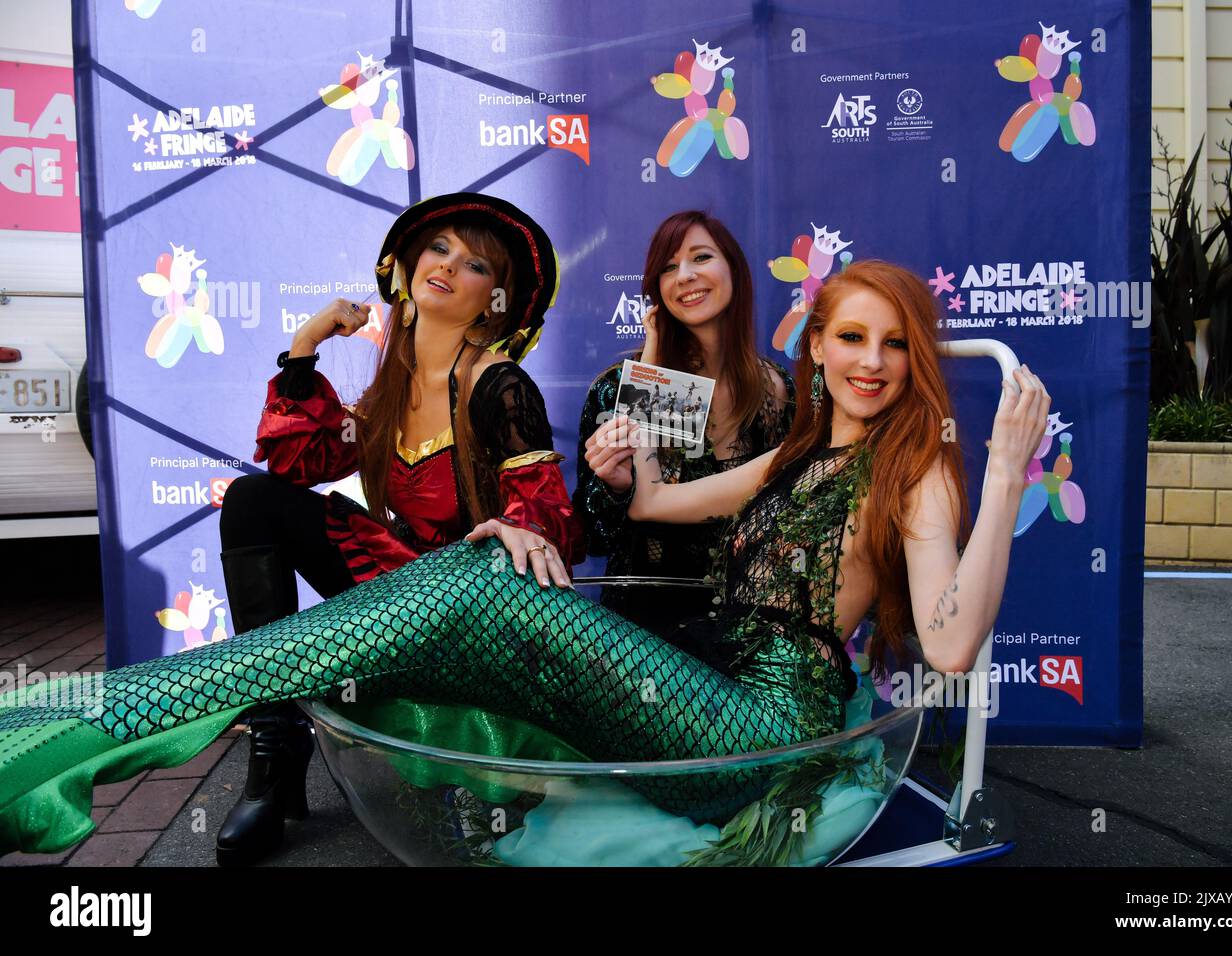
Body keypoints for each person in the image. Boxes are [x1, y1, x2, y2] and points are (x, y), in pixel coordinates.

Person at [0, 260, 1050, 855]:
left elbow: (952, 647)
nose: (873, 362)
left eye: (896, 342)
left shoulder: (921, 469)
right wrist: (614, 457)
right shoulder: (792, 452)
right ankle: (108, 720)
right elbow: (654, 501)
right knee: (484, 565)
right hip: (700, 693)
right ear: (813, 345)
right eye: (851, 338)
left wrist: (1002, 471)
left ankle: (115, 715)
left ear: (917, 355)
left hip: (766, 739)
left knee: (486, 587)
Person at [214, 192, 584, 864]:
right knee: (251, 500)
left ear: (495, 300)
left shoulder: (499, 385)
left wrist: (521, 529)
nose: (446, 265)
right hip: (393, 579)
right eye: (437, 248)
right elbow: (302, 462)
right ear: (408, 265)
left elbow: (546, 519)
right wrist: (304, 347)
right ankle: (275, 747)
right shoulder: (393, 383)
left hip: (466, 609)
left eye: (474, 264)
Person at [577, 211, 794, 637]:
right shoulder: (623, 387)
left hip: (749, 628)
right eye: (669, 267)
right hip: (647, 635)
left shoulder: (775, 388)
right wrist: (617, 486)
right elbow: (596, 536)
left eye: (701, 257)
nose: (685, 276)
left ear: (734, 269)